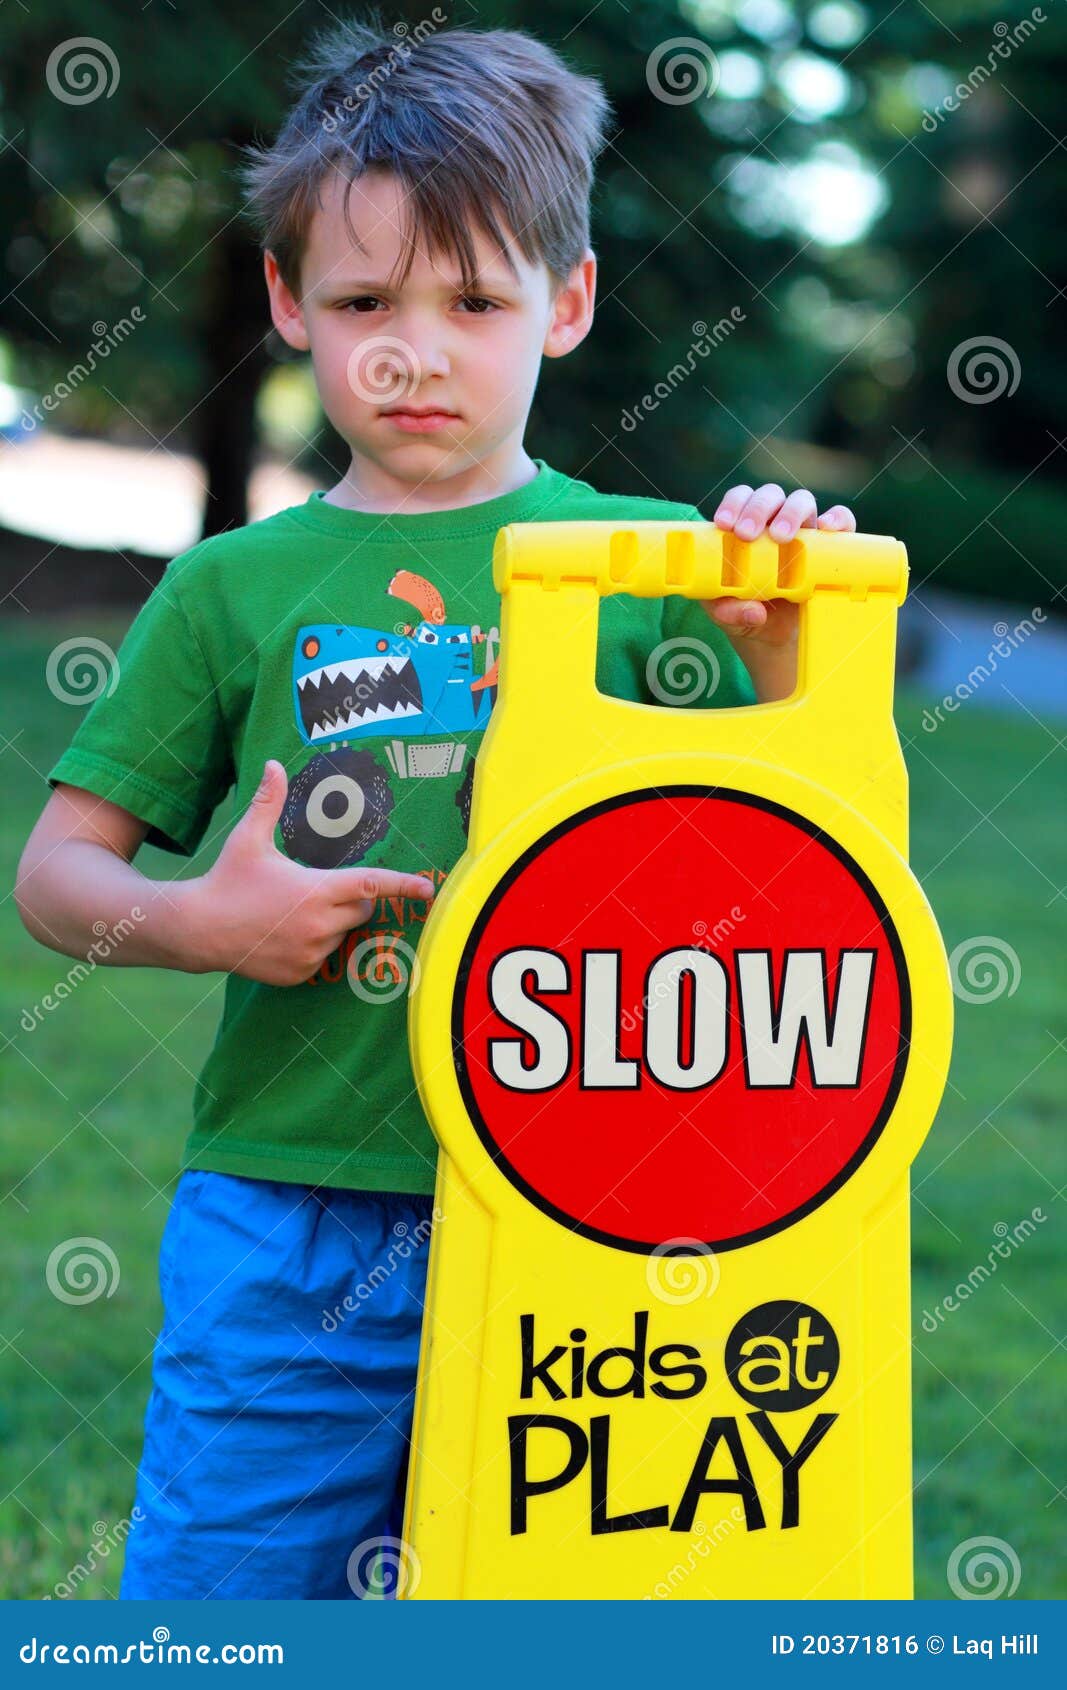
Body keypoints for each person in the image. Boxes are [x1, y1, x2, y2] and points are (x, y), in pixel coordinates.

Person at [14, 15, 856, 1600]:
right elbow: (57, 873)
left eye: (474, 301)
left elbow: (805, 885)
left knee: (552, 1620)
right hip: (293, 1219)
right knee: (228, 1615)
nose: (419, 350)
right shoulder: (228, 589)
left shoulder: (653, 563)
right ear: (288, 303)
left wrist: (778, 648)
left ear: (568, 302)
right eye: (363, 303)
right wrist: (200, 920)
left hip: (594, 1217)